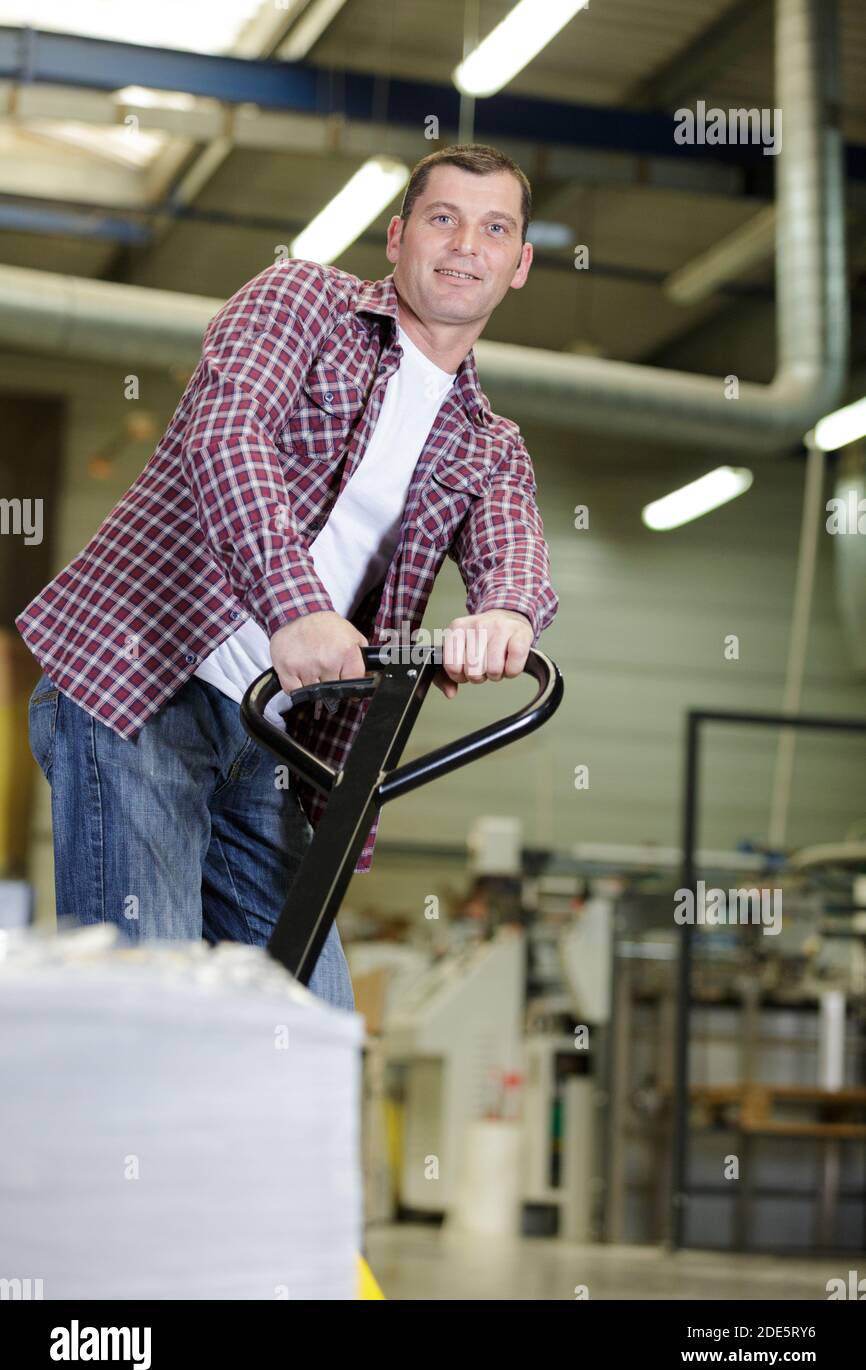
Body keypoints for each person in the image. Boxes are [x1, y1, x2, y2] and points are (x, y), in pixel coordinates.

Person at [17, 143, 560, 1011]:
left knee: (310, 1029)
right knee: (146, 1011)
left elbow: (514, 549)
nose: (467, 246)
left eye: (495, 229)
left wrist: (506, 616)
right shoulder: (302, 300)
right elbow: (226, 437)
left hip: (275, 746)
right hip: (143, 689)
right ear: (397, 236)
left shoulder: (489, 442)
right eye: (443, 219)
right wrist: (298, 609)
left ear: (520, 264)